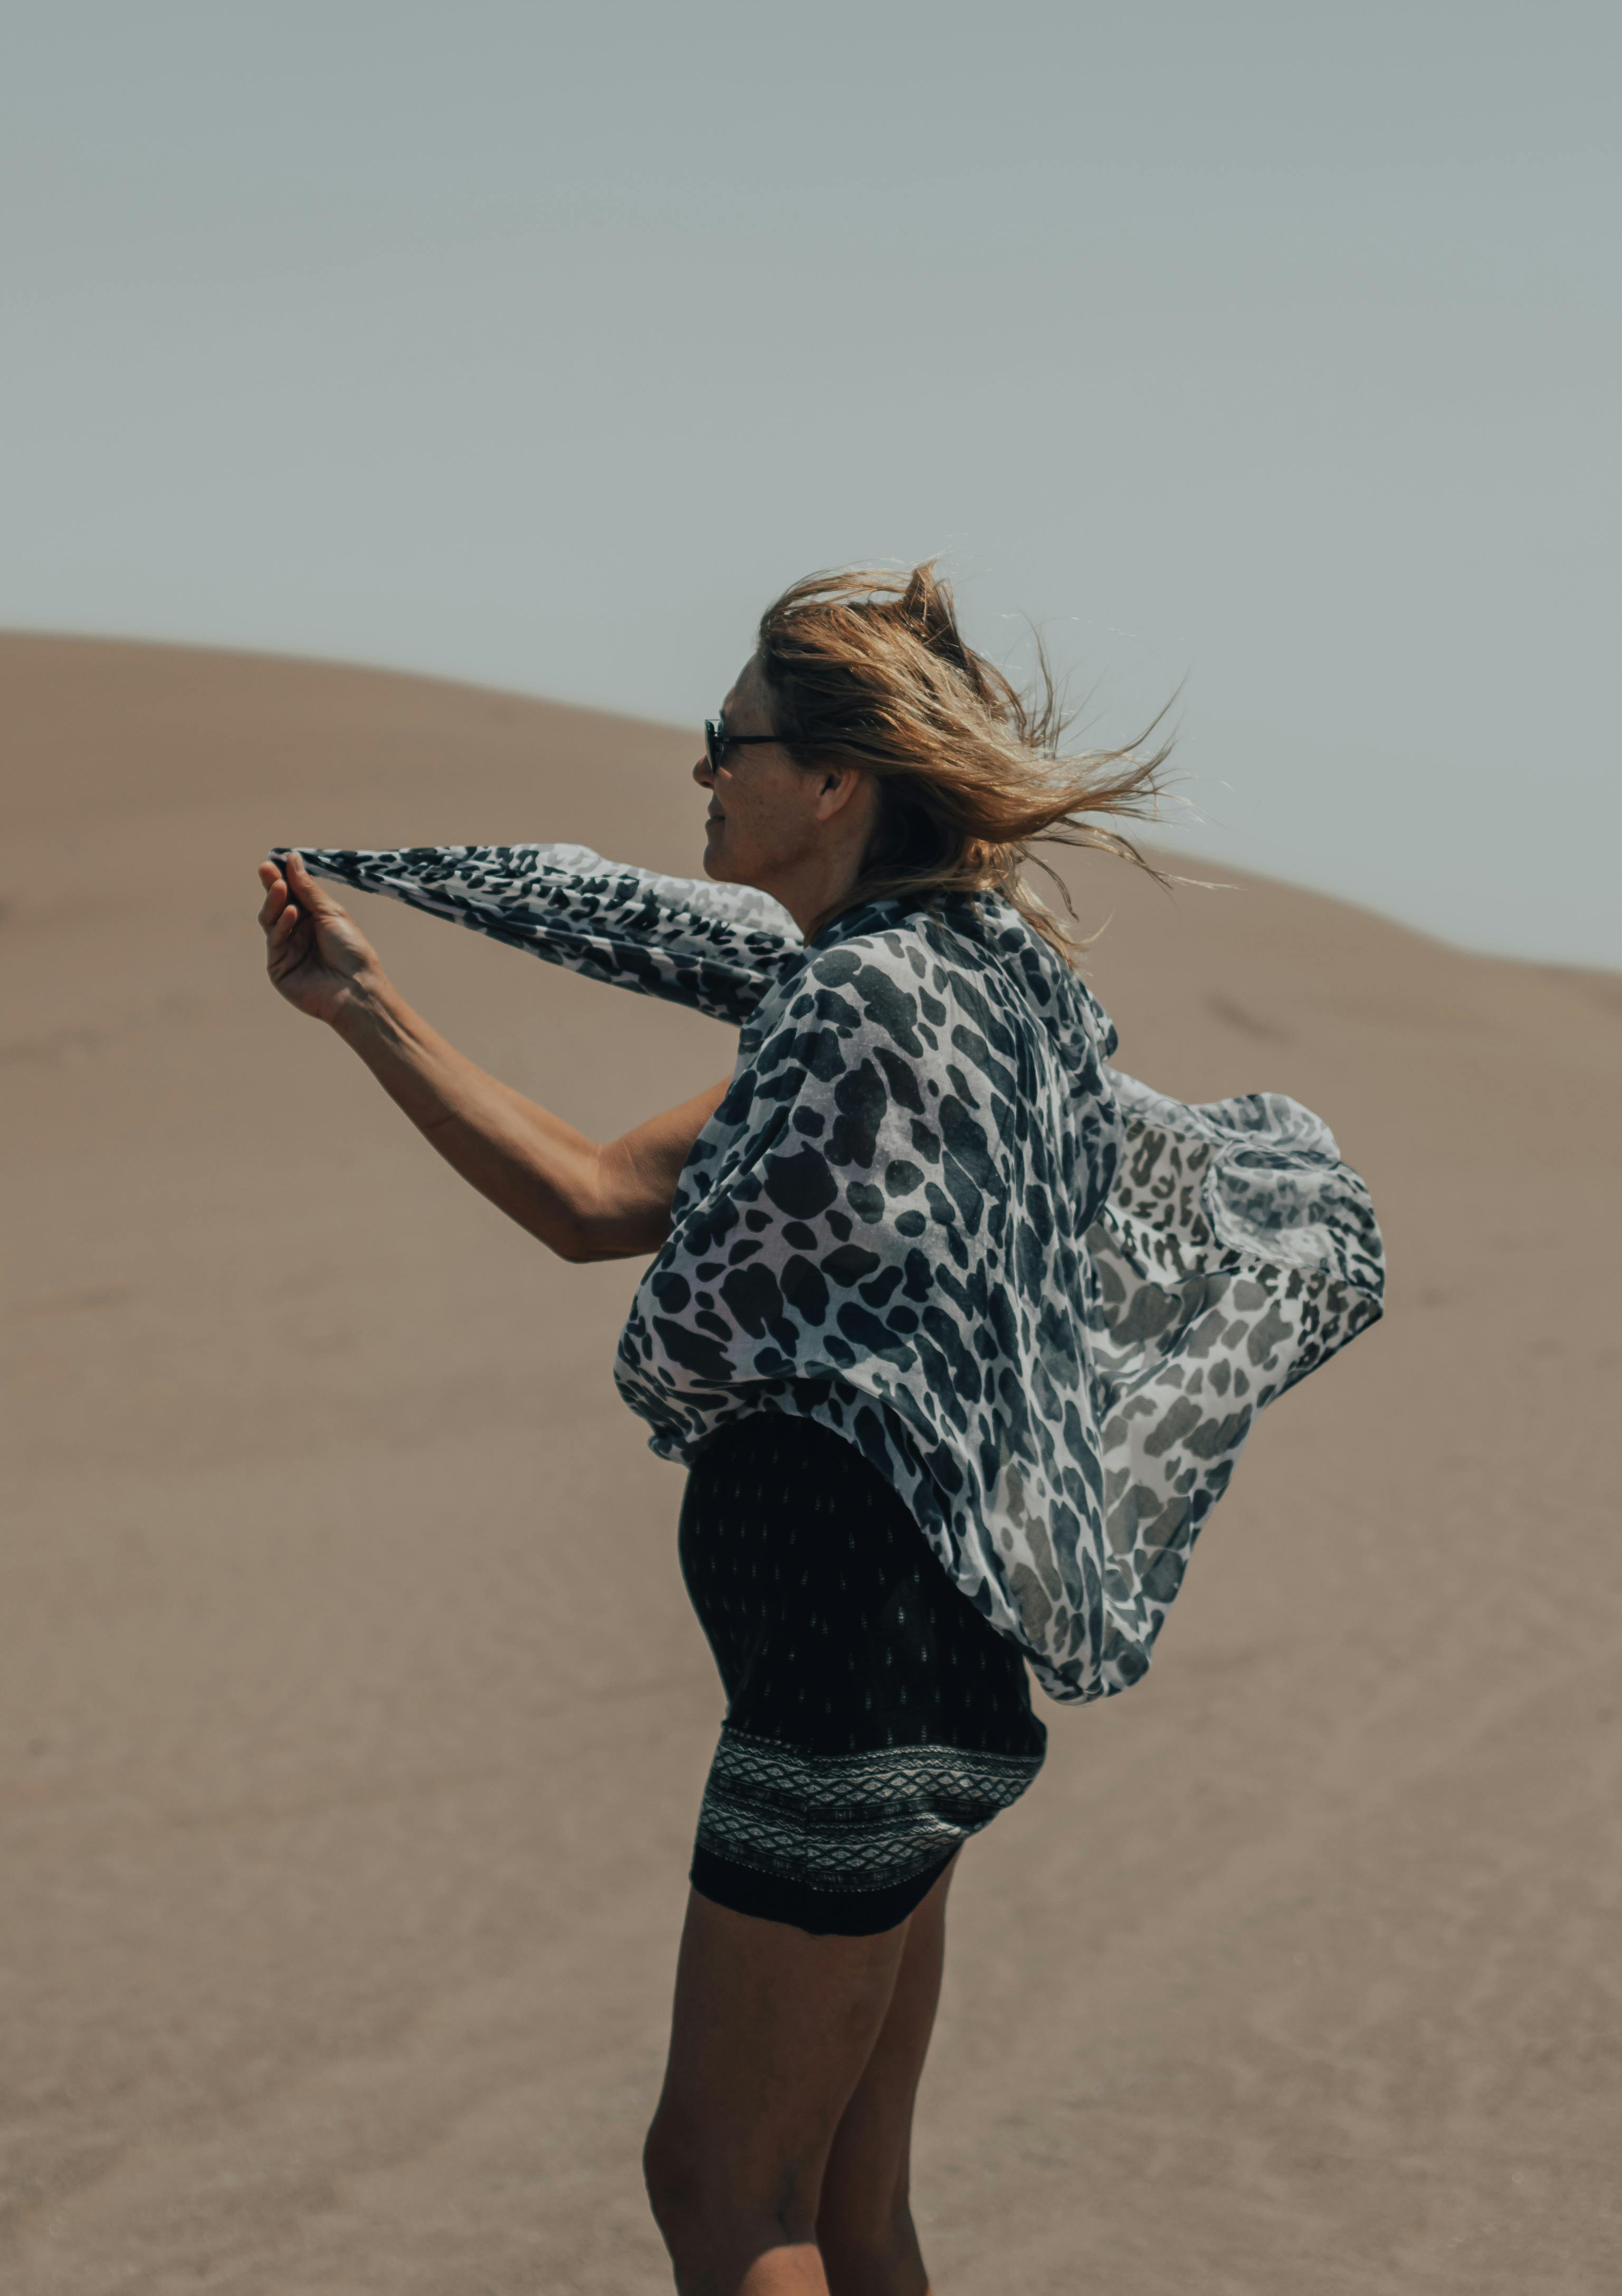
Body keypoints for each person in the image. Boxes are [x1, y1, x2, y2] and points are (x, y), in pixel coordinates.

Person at [257, 563, 1384, 2295]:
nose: (703, 769)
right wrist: (366, 1002)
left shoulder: (866, 1006)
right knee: (846, 2206)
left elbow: (621, 1226)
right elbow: (597, 1191)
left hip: (853, 1659)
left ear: (837, 780)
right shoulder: (942, 990)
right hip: (922, 1663)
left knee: (726, 2191)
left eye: (733, 741)